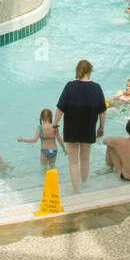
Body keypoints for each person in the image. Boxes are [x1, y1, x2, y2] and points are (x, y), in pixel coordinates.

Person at [54, 60, 107, 193]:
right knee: (85, 158)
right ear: (90, 71)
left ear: (78, 71)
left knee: (73, 162)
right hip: (88, 127)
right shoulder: (96, 87)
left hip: (71, 127)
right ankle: (84, 185)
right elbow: (102, 111)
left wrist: (55, 124)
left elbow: (60, 108)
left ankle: (76, 191)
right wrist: (101, 127)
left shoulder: (70, 86)